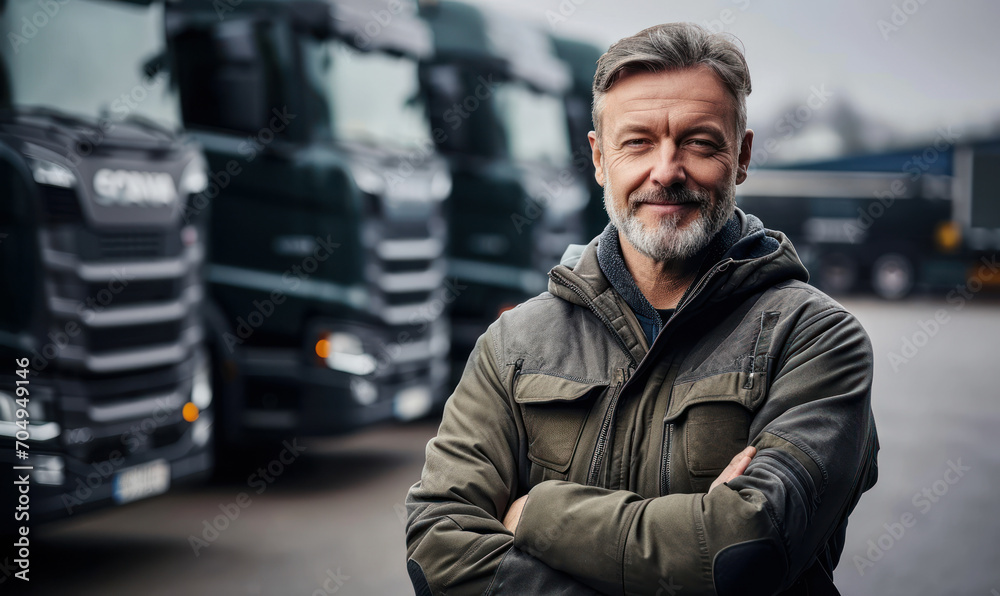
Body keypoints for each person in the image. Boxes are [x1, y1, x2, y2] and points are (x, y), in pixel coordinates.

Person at [405, 22, 879, 596]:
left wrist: (537, 514)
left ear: (742, 155)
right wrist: (692, 539)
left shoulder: (816, 340)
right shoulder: (514, 344)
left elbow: (745, 553)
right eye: (637, 142)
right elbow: (438, 549)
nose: (666, 171)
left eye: (699, 142)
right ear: (599, 157)